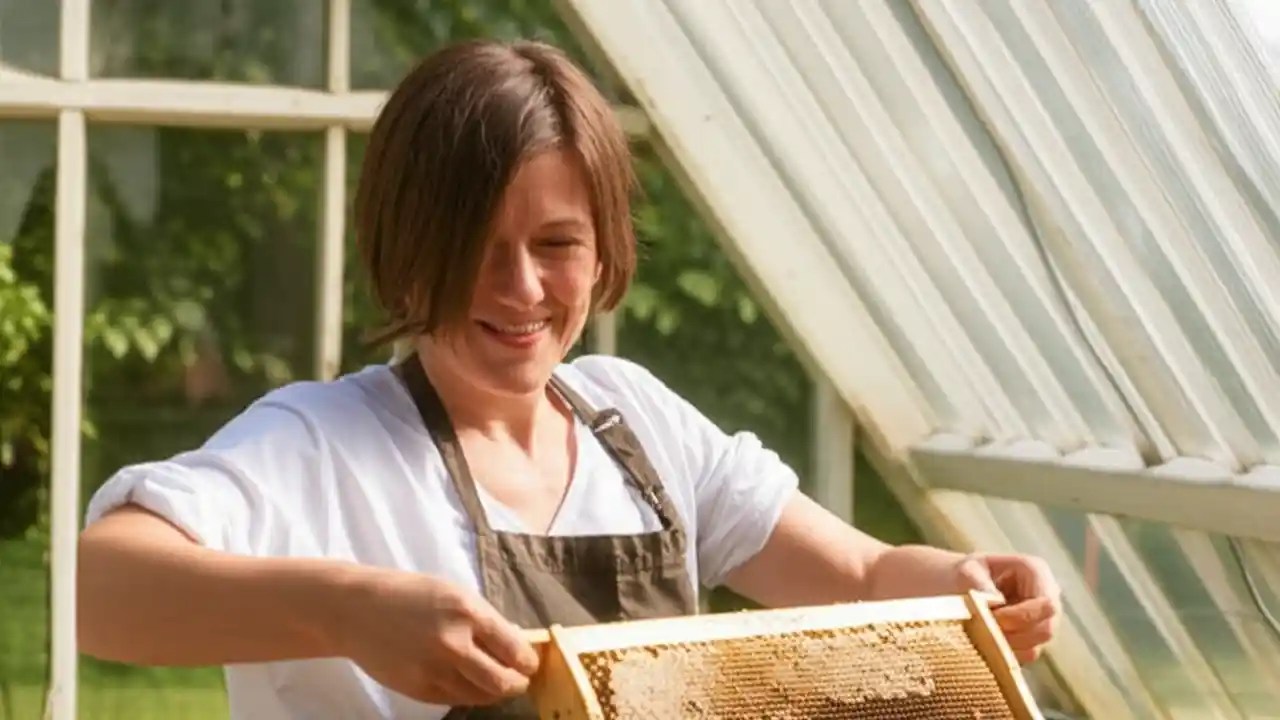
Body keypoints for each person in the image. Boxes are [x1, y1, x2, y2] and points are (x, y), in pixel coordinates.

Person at [77, 39, 1061, 719]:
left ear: (602, 255)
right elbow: (99, 591)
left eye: (556, 244)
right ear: (406, 249)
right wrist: (343, 610)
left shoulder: (636, 422)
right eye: (475, 246)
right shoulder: (317, 442)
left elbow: (858, 576)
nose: (519, 287)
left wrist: (963, 588)